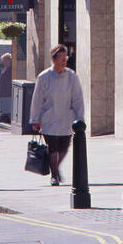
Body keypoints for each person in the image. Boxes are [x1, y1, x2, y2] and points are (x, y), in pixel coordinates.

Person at [30, 45, 85, 186]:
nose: (64, 61)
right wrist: (35, 119)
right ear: (53, 60)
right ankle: (54, 175)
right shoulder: (44, 77)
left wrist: (80, 119)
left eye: (65, 58)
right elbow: (37, 100)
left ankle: (54, 167)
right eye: (61, 58)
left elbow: (78, 98)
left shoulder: (72, 76)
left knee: (64, 148)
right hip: (49, 119)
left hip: (66, 118)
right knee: (53, 149)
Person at [0, 52, 13, 122]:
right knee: (6, 110)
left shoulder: (10, 70)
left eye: (4, 61)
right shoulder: (6, 69)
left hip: (7, 93)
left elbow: (6, 81)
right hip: (4, 94)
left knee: (8, 110)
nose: (3, 63)